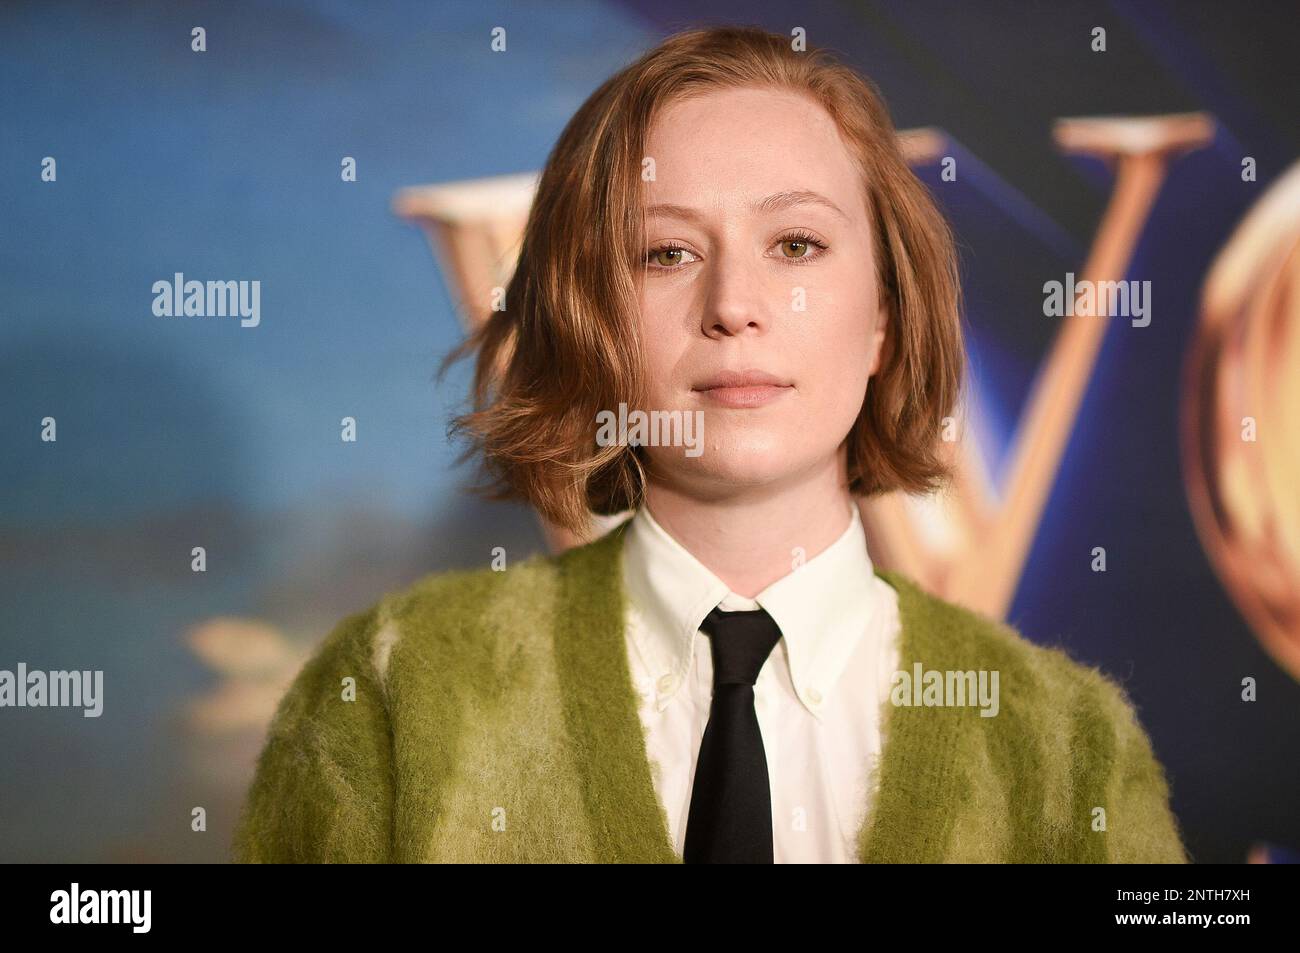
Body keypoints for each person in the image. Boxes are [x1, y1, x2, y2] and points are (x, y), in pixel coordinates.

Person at [231, 25, 1188, 864]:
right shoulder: (392, 695)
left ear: (885, 319)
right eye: (665, 253)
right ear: (586, 315)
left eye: (798, 245)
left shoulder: (1069, 746)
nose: (733, 306)